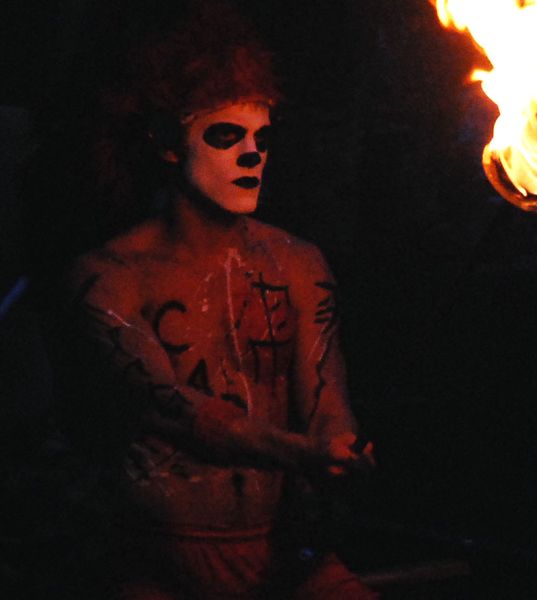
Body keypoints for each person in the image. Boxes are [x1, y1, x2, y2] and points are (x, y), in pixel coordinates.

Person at [60, 2, 376, 598]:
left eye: (262, 137)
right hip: (158, 560)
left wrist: (339, 446)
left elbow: (325, 399)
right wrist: (302, 453)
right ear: (167, 143)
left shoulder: (298, 264)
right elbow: (175, 411)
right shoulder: (110, 277)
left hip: (282, 555)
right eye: (226, 135)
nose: (253, 154)